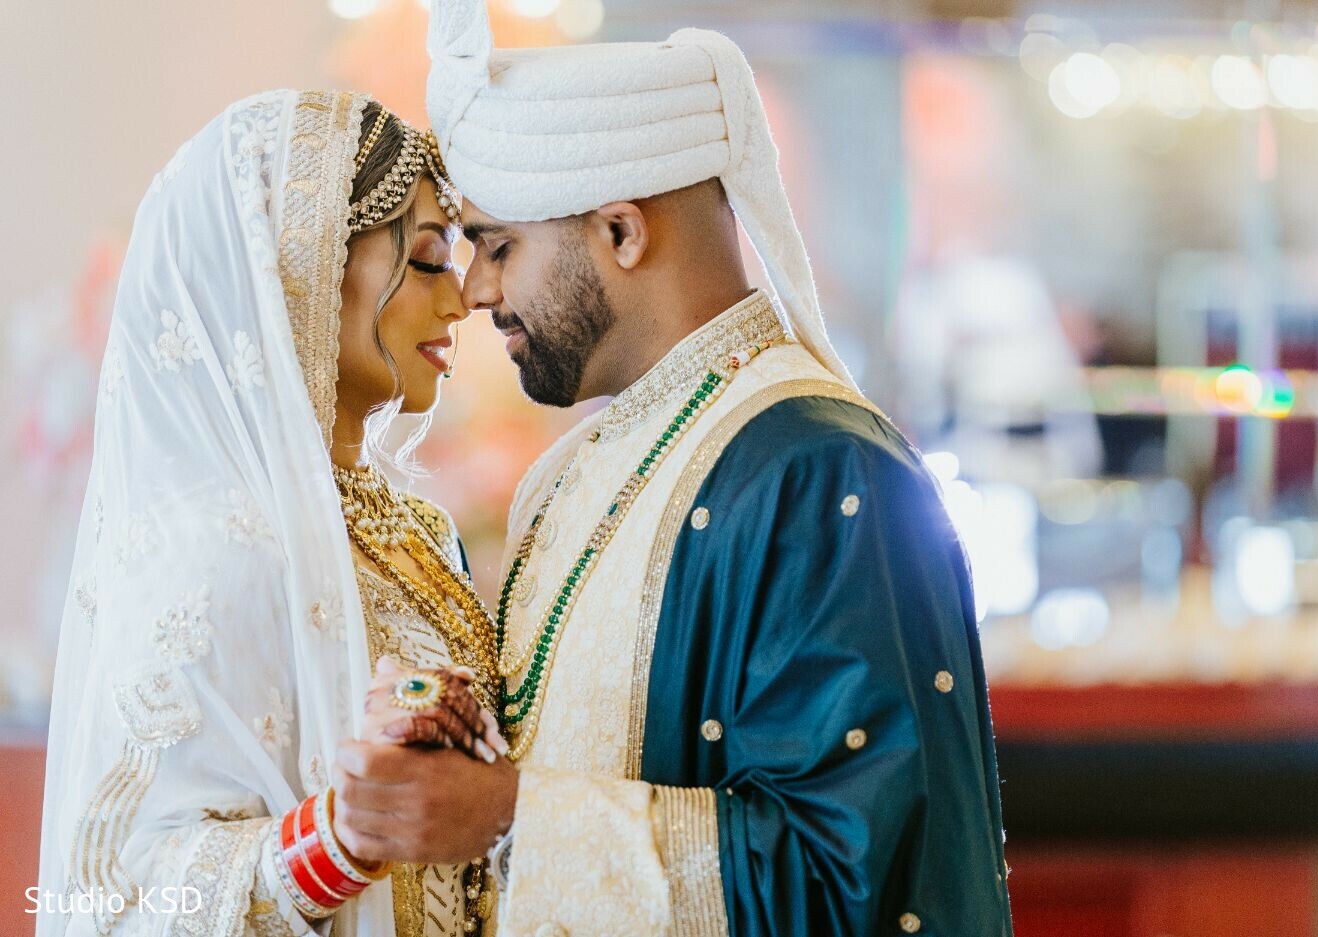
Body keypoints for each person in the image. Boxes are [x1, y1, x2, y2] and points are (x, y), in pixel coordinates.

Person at [329, 3, 1015, 935]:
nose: (478, 290)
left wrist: (506, 815)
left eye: (499, 245)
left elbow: (856, 878)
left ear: (621, 232)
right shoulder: (570, 474)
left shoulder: (816, 468)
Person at [37, 89, 506, 936]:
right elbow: (119, 895)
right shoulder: (215, 545)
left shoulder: (421, 531)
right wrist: (337, 840)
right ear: (301, 271)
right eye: (428, 260)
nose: (462, 299)